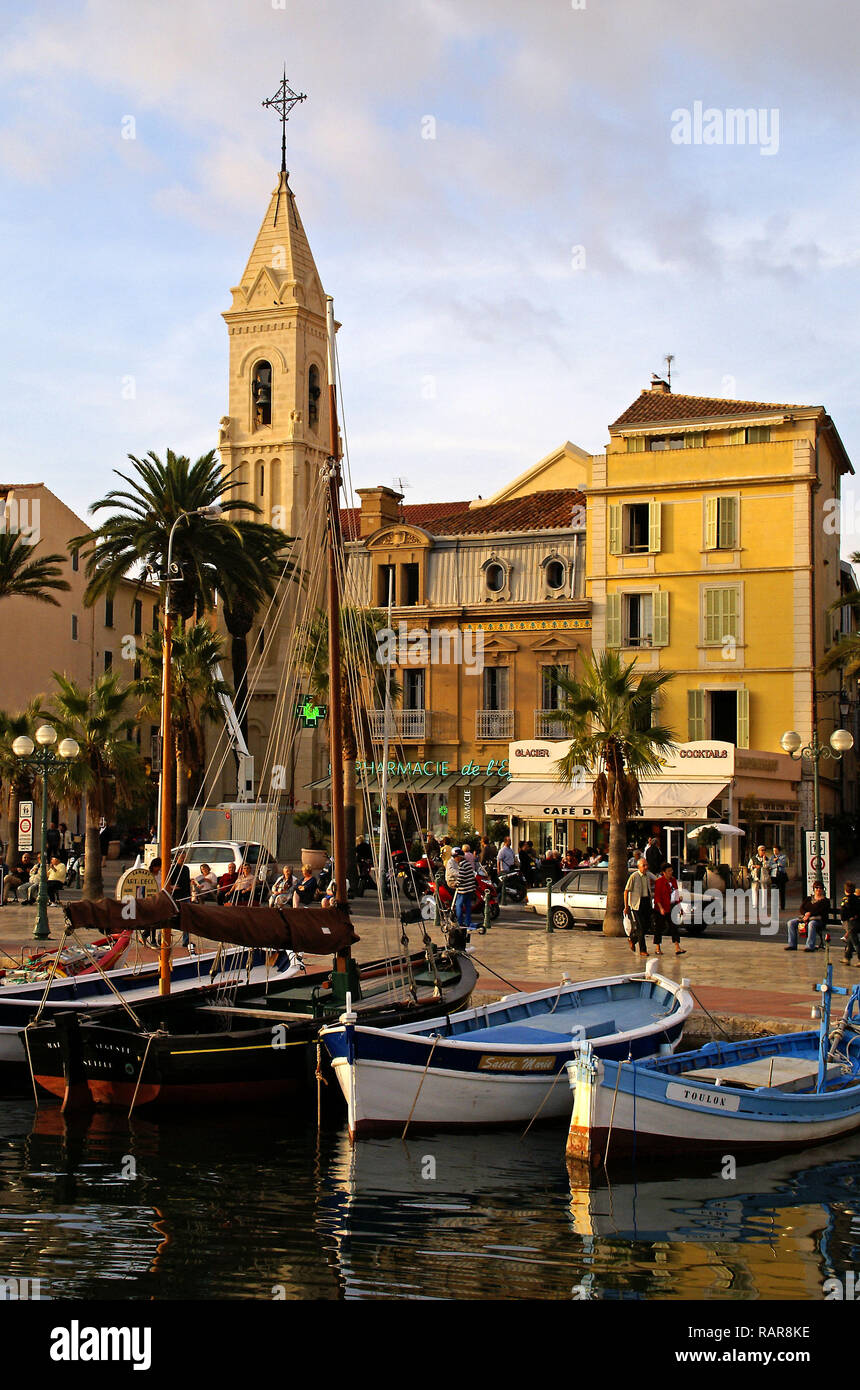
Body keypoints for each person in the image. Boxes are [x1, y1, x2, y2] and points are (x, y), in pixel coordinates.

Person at [785, 881, 831, 951]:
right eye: (816, 888)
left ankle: (810, 946)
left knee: (811, 924)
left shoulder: (825, 901)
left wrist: (810, 914)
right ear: (813, 889)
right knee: (790, 923)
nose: (818, 890)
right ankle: (792, 945)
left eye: (820, 888)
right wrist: (806, 913)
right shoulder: (808, 898)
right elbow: (802, 908)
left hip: (818, 920)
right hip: (805, 918)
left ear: (823, 889)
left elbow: (821, 911)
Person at [652, 862, 686, 957]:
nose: (671, 872)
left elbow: (676, 894)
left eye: (671, 870)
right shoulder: (659, 881)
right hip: (661, 908)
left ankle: (677, 947)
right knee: (659, 927)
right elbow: (657, 897)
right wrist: (661, 908)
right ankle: (657, 947)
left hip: (671, 906)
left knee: (674, 927)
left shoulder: (673, 880)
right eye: (669, 871)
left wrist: (679, 907)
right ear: (664, 872)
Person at [623, 857, 652, 959]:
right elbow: (626, 891)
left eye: (646, 865)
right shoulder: (634, 876)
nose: (646, 867)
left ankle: (633, 939)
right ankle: (643, 950)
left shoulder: (647, 875)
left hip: (646, 902)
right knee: (640, 927)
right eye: (643, 865)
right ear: (639, 867)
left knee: (647, 925)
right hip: (636, 904)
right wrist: (626, 906)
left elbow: (656, 879)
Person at [451, 847, 476, 930]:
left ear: (459, 857)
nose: (455, 859)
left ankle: (460, 922)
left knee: (458, 905)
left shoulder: (462, 865)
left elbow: (461, 878)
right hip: (470, 889)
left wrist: (456, 884)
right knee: (468, 907)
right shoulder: (468, 863)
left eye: (455, 857)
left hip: (463, 890)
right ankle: (468, 922)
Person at [840, 882, 860, 965]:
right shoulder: (857, 899)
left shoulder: (846, 900)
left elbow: (843, 912)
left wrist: (847, 917)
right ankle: (847, 957)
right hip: (859, 921)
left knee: (855, 942)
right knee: (850, 940)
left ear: (845, 890)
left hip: (852, 923)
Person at [770, 845, 789, 911]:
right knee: (774, 891)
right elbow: (770, 865)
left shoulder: (783, 856)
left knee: (782, 891)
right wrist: (776, 864)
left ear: (779, 850)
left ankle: (782, 906)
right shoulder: (772, 857)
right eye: (773, 850)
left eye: (776, 850)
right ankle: (775, 906)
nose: (774, 852)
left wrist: (776, 862)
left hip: (781, 875)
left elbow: (783, 864)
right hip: (774, 876)